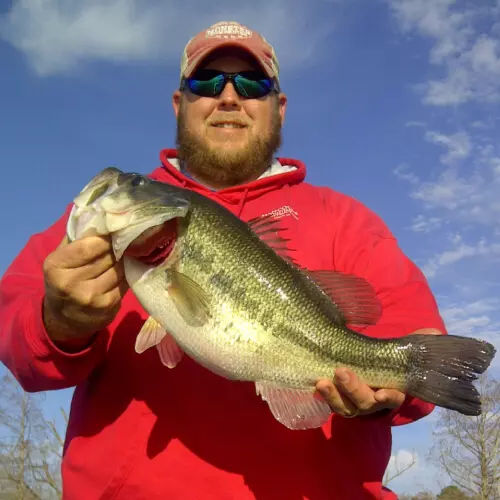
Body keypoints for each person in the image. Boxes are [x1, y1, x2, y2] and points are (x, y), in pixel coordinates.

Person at [0, 21, 446, 500]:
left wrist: (392, 389)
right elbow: (16, 325)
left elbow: (417, 337)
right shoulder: (106, 219)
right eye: (206, 82)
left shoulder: (348, 219)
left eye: (252, 84)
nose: (229, 96)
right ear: (179, 104)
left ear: (280, 107)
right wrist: (57, 321)